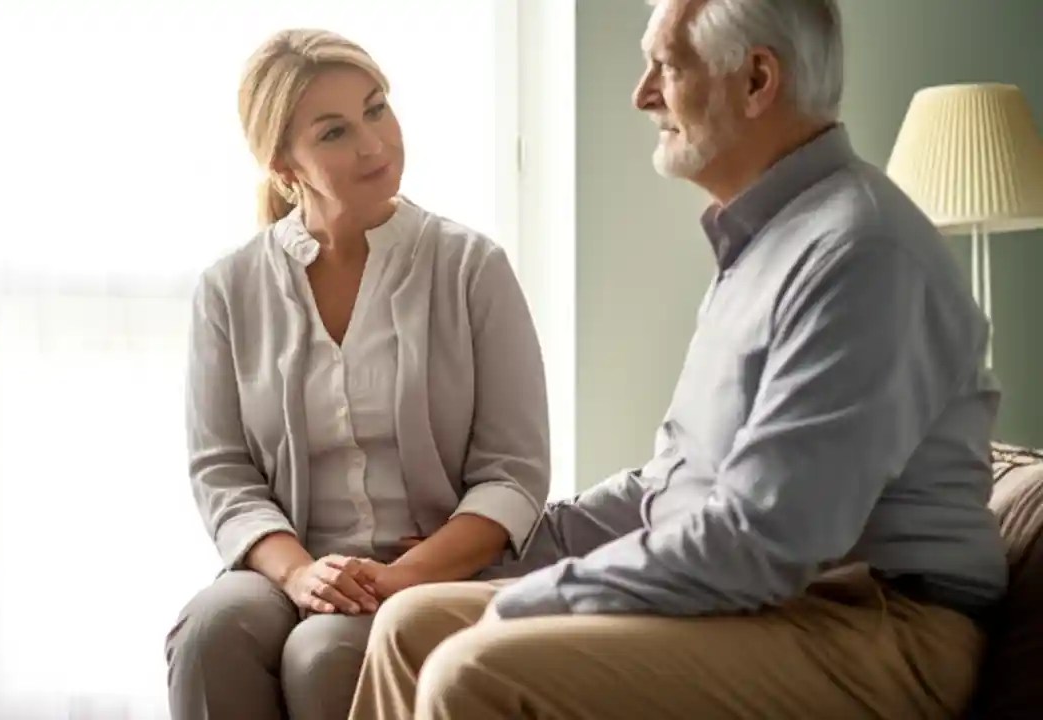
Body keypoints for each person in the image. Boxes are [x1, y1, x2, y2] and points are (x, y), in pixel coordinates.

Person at [348, 1, 1009, 718]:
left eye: (666, 66)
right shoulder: (770, 240)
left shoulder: (859, 254)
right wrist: (489, 551)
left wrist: (529, 599)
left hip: (877, 625)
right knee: (410, 625)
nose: (643, 95)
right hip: (781, 599)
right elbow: (673, 485)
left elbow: (760, 540)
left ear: (756, 80)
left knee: (472, 668)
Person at [163, 28, 550, 720]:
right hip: (286, 564)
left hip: (434, 568)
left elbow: (513, 473)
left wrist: (403, 576)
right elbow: (222, 471)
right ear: (283, 164)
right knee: (209, 634)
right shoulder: (229, 289)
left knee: (326, 653)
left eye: (376, 109)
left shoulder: (472, 269)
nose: (375, 144)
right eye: (335, 132)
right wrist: (299, 573)